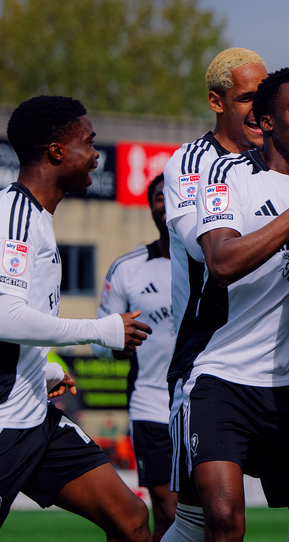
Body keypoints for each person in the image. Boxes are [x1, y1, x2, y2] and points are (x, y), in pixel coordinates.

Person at [0, 95, 153, 542]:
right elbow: (8, 321)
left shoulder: (28, 216)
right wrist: (103, 330)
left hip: (32, 413)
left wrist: (36, 365)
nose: (96, 155)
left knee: (130, 520)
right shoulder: (12, 216)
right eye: (89, 142)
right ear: (56, 151)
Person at [179, 67, 289, 542]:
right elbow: (222, 262)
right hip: (219, 379)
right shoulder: (227, 175)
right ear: (265, 122)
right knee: (222, 520)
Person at [159, 47, 268, 542]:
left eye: (264, 97)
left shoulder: (288, 160)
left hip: (280, 363)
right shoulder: (190, 165)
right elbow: (208, 253)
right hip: (208, 357)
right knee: (204, 520)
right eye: (246, 98)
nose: (258, 109)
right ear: (216, 101)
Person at [93, 173, 177, 542]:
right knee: (167, 509)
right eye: (159, 197)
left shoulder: (216, 260)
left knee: (208, 512)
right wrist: (116, 343)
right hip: (151, 403)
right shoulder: (128, 268)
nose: (166, 202)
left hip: (208, 401)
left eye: (173, 195)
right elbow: (98, 342)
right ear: (151, 207)